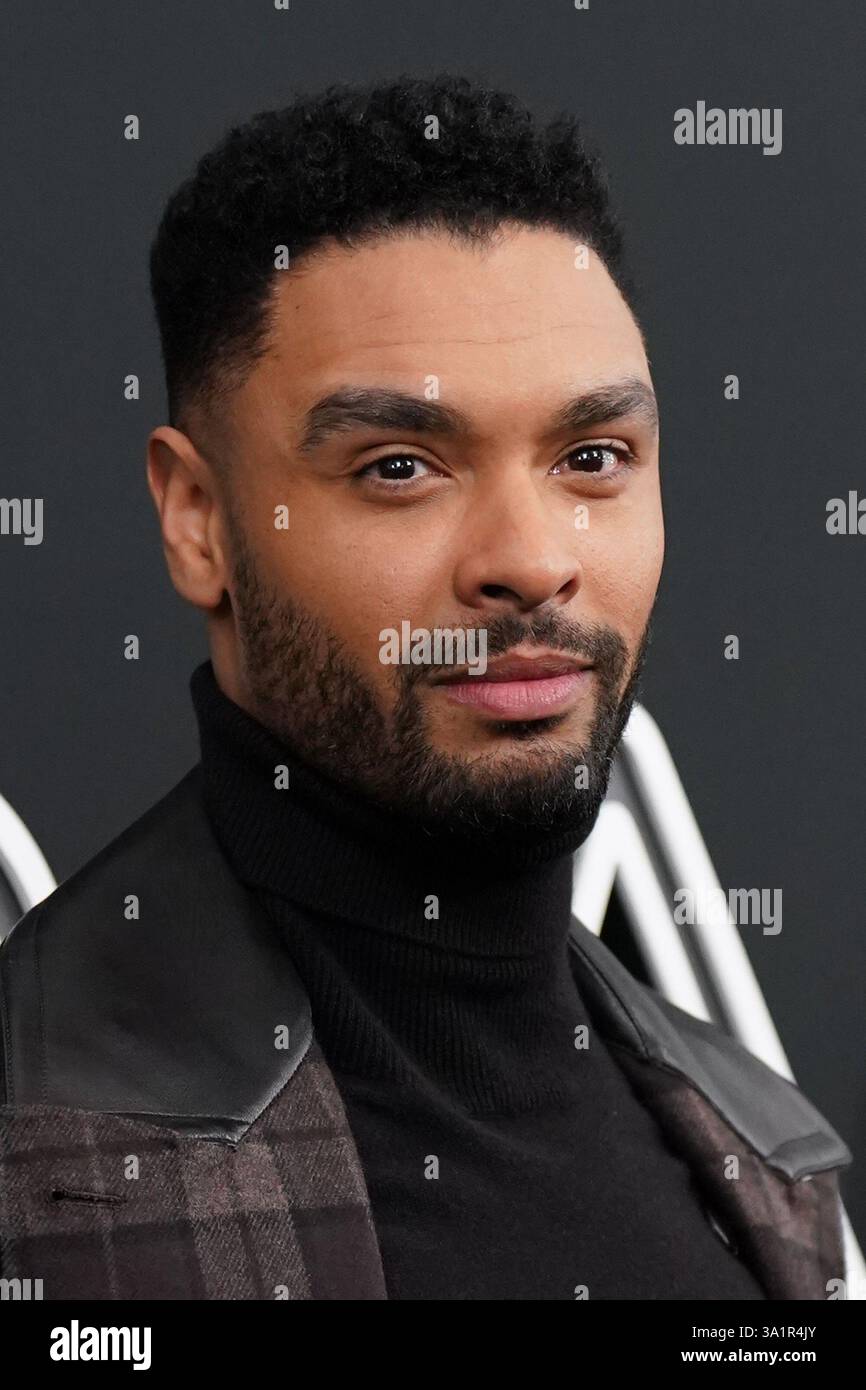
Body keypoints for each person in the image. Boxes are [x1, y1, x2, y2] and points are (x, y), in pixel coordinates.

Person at [0, 74, 851, 1300]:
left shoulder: (769, 1163)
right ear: (199, 520)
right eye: (400, 466)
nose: (528, 559)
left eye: (592, 457)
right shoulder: (39, 1167)